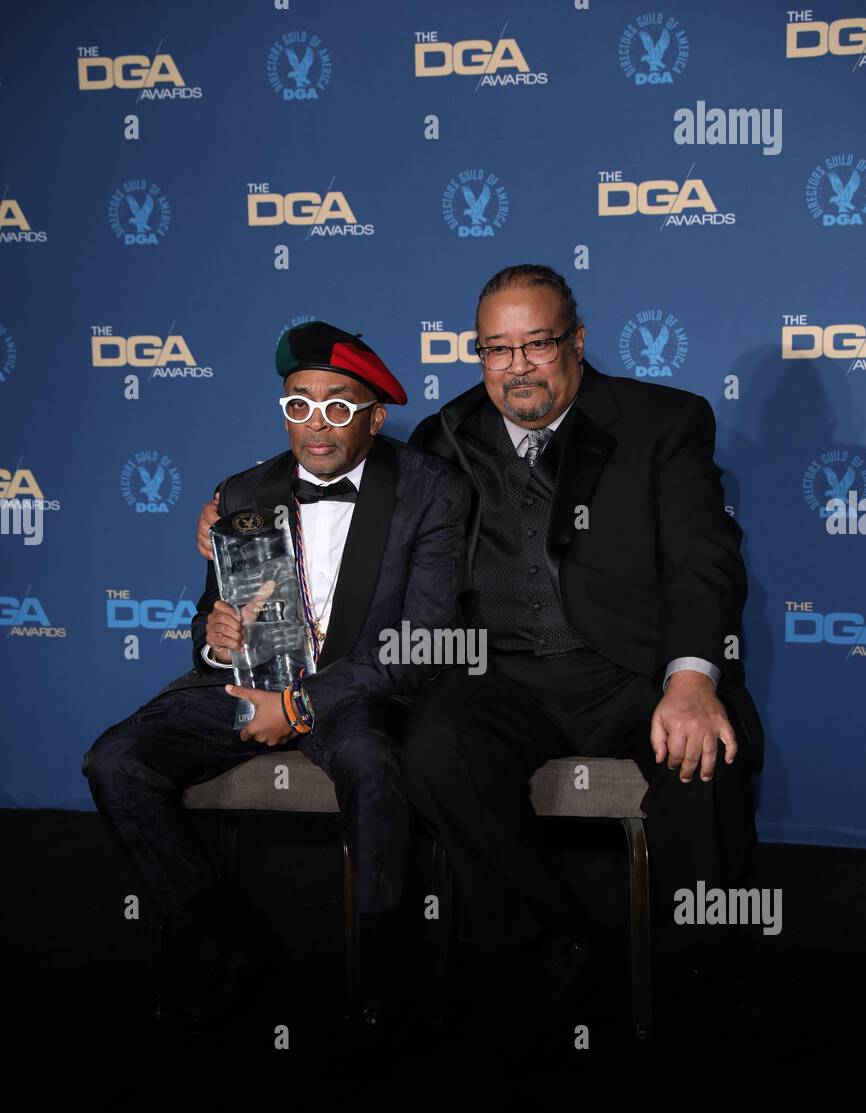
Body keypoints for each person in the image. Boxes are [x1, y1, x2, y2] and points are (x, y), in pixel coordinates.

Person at [83, 320, 470, 1035]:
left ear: (375, 416)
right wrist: (218, 642)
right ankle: (230, 943)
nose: (315, 426)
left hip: (357, 691)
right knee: (116, 762)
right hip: (248, 682)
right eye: (298, 404)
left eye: (337, 405)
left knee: (375, 767)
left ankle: (384, 983)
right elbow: (209, 626)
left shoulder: (428, 491)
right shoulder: (242, 489)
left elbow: (419, 644)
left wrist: (296, 706)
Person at [401, 264, 764, 1009]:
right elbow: (356, 488)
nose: (518, 367)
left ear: (577, 340)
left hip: (630, 669)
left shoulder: (663, 421)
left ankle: (700, 972)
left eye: (537, 344)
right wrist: (237, 506)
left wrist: (692, 678)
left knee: (705, 754)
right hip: (499, 674)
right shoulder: (447, 436)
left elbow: (706, 557)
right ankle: (554, 940)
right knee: (434, 745)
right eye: (497, 350)